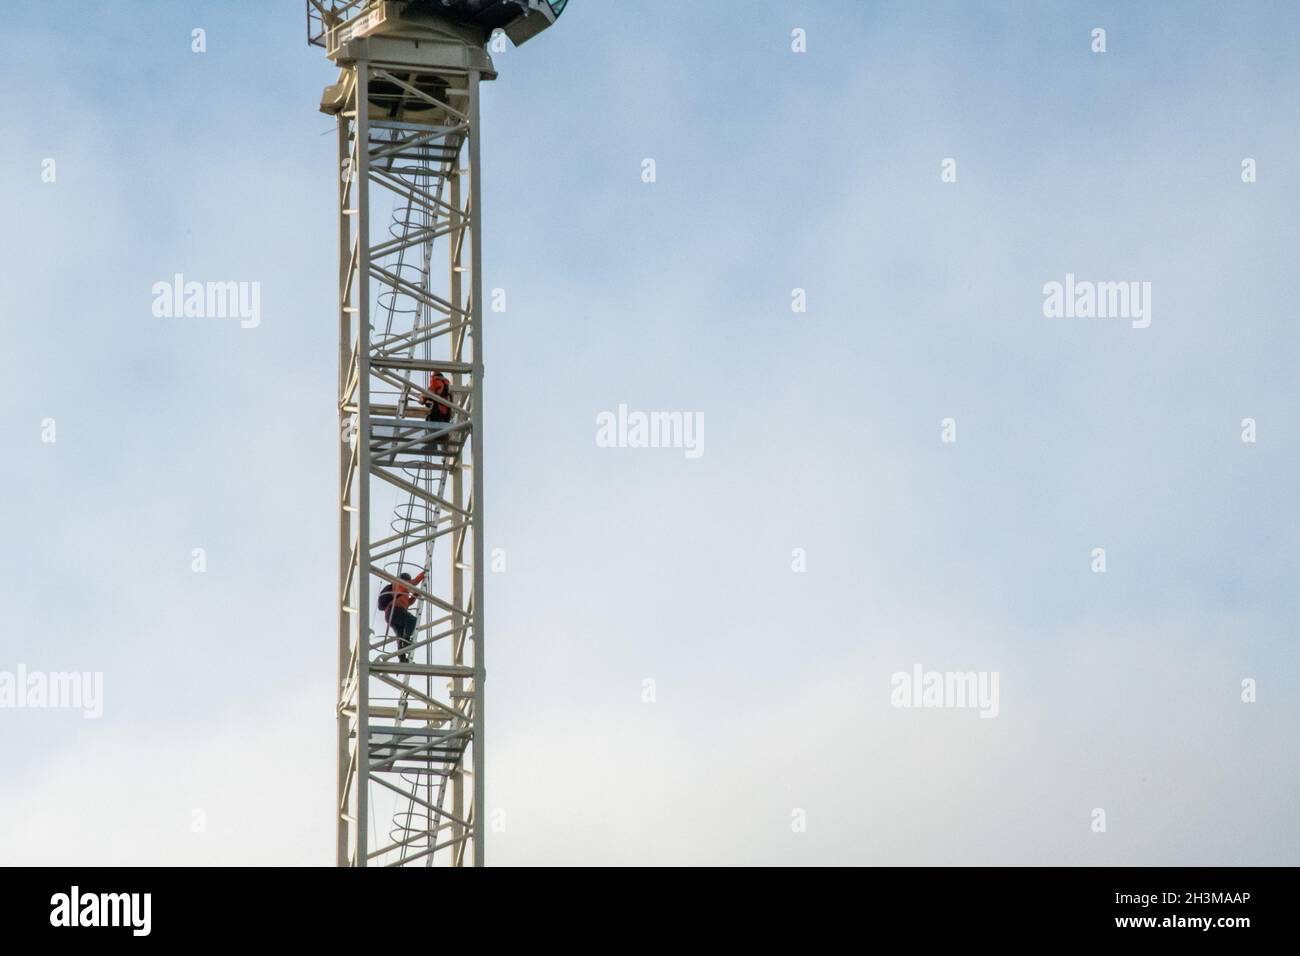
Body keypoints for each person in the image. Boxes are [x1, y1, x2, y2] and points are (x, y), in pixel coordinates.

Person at [378, 571, 425, 663]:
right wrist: (424, 573)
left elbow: (409, 603)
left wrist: (415, 595)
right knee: (411, 620)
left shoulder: (402, 593)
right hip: (394, 611)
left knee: (400, 636)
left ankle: (402, 658)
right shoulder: (400, 584)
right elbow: (415, 582)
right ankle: (406, 642)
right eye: (408, 581)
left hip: (390, 615)